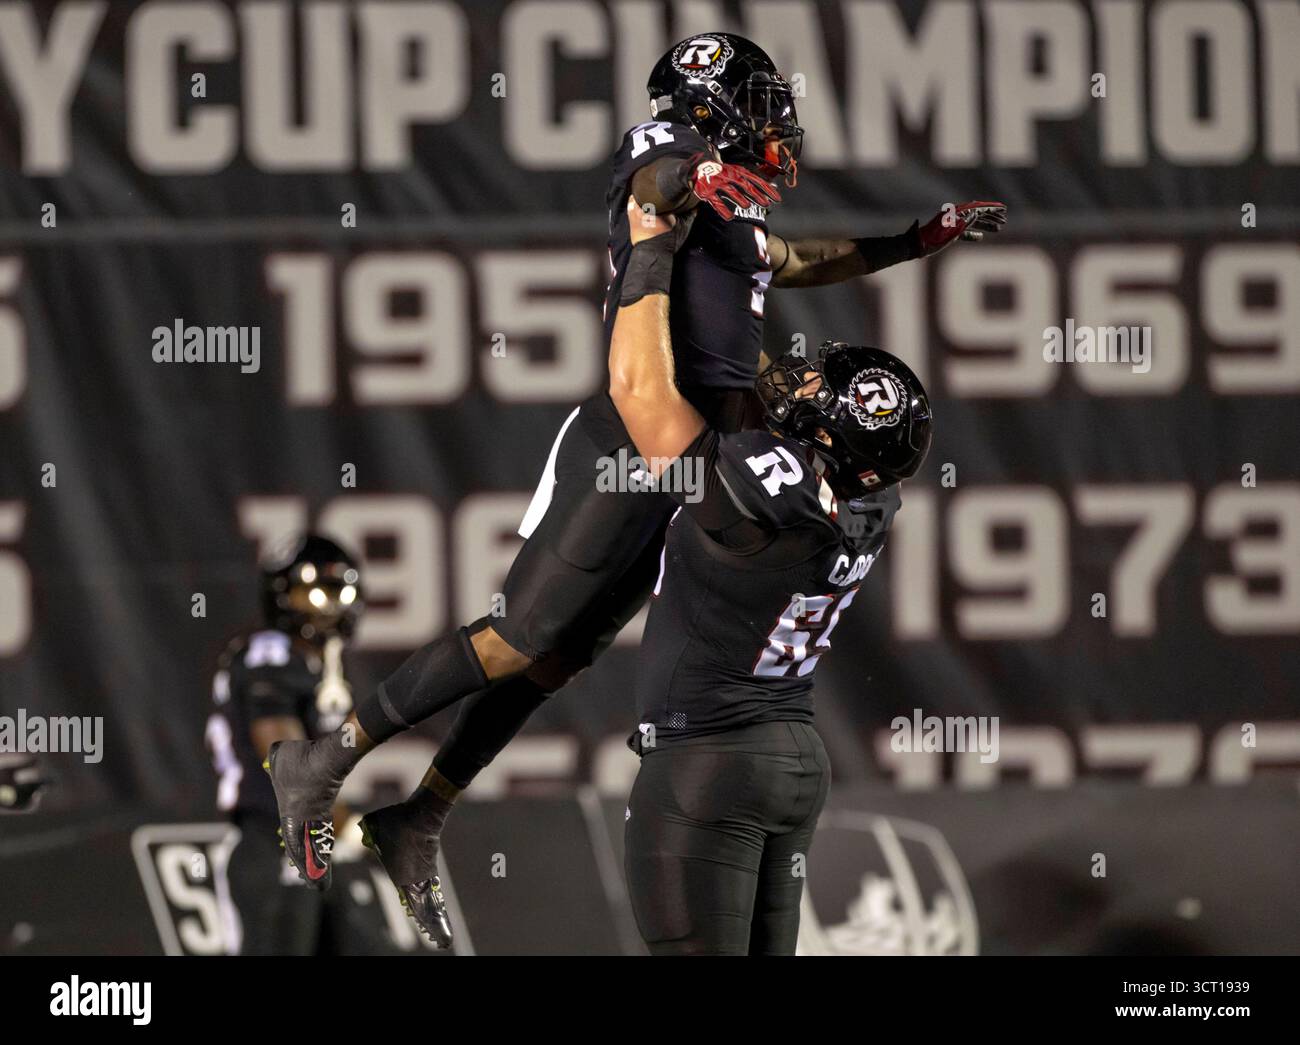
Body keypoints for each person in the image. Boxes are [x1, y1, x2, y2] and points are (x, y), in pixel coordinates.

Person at [264, 33, 1000, 947]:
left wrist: (908, 242)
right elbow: (652, 188)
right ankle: (322, 760)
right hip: (638, 435)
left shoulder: (733, 201)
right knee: (517, 633)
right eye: (759, 101)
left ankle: (421, 814)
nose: (777, 121)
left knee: (560, 656)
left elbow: (791, 262)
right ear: (709, 100)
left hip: (696, 447)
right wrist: (691, 184)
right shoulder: (669, 150)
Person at [609, 199, 932, 953]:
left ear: (826, 436)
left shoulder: (765, 487)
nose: (804, 381)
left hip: (710, 763)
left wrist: (652, 253)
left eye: (821, 390)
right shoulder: (874, 493)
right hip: (788, 752)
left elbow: (639, 393)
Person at [205, 534, 362, 955]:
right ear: (282, 595)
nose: (327, 605)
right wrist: (357, 829)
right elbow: (292, 767)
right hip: (272, 843)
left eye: (335, 592)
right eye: (311, 591)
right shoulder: (269, 655)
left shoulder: (318, 665)